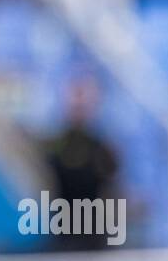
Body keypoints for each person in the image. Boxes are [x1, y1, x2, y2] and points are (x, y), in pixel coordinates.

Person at [40, 76, 120, 251]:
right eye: (74, 99)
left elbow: (112, 193)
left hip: (95, 240)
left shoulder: (103, 147)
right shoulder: (53, 146)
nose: (78, 104)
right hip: (60, 237)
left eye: (83, 101)